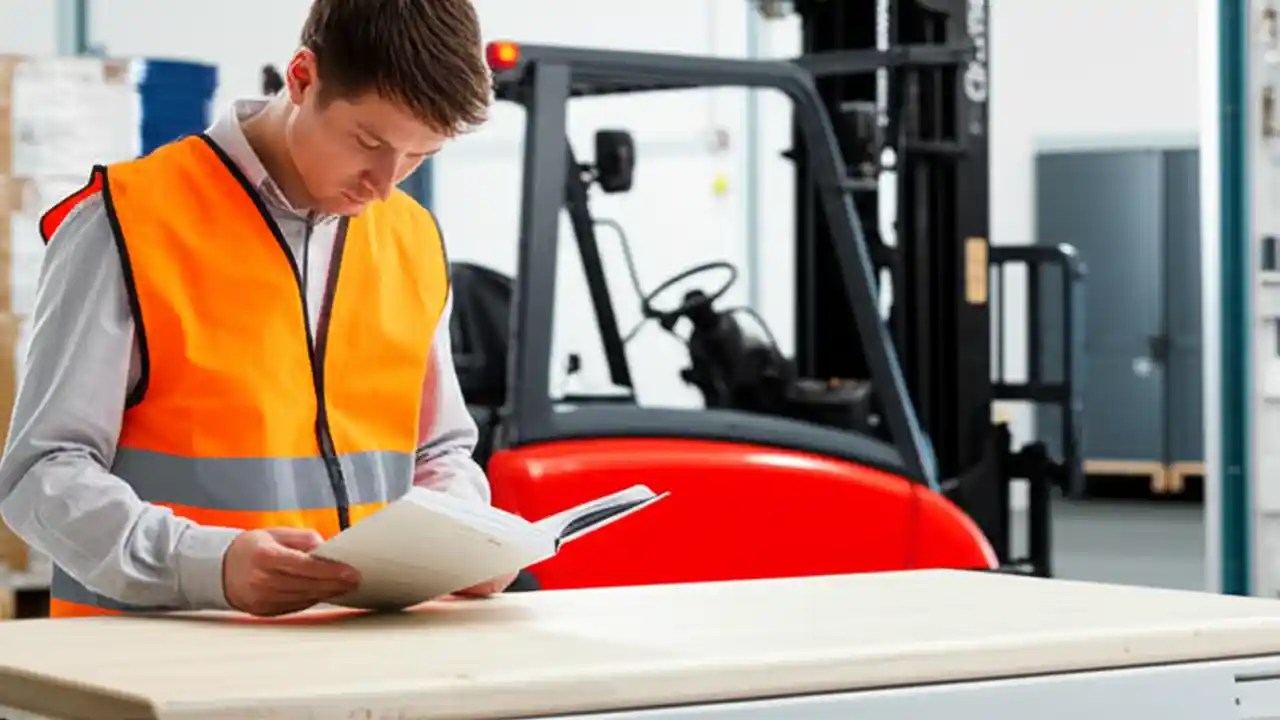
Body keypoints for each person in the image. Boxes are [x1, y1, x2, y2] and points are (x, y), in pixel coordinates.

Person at [0, 0, 515, 618]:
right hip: (155, 672)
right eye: (369, 141)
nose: (384, 183)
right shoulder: (125, 223)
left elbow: (438, 453)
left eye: (419, 156)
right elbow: (41, 474)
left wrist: (464, 539)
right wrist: (208, 564)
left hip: (354, 668)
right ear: (302, 78)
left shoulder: (413, 238)